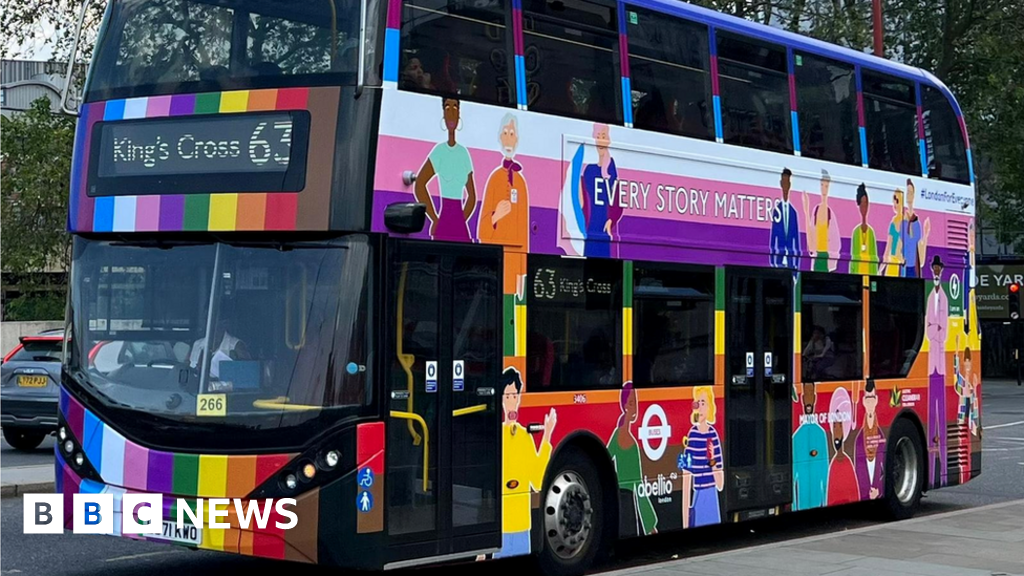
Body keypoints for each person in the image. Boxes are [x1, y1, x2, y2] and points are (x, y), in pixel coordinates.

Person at [496, 367, 555, 558]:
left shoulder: (524, 435)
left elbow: (537, 480)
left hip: (522, 528)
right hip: (501, 528)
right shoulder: (495, 437)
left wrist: (546, 436)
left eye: (515, 396)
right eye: (507, 397)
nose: (511, 402)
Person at [414, 98, 477, 241]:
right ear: (443, 113)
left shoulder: (463, 154)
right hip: (444, 219)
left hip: (459, 224)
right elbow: (420, 184)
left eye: (455, 107)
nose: (451, 112)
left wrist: (462, 219)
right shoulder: (439, 152)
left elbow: (472, 196)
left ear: (459, 113)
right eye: (447, 107)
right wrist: (434, 218)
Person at [607, 382, 657, 535]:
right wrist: (650, 526)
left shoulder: (618, 434)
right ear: (625, 406)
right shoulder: (627, 440)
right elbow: (639, 486)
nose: (635, 407)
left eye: (635, 402)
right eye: (631, 403)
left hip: (621, 497)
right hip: (626, 501)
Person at [478, 113, 529, 248]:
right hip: (495, 252)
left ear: (517, 140)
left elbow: (524, 232)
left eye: (512, 134)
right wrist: (495, 216)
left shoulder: (520, 182)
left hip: (517, 250)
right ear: (500, 137)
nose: (508, 140)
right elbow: (481, 230)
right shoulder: (494, 178)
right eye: (505, 134)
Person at [679, 386, 724, 528]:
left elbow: (720, 484)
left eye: (703, 402)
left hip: (711, 498)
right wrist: (685, 524)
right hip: (698, 496)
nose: (699, 407)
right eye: (697, 403)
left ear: (710, 406)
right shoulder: (692, 435)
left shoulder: (713, 435)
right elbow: (686, 477)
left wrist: (712, 462)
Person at [580, 123, 620, 258]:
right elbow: (583, 199)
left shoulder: (612, 168)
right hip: (591, 226)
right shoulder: (589, 170)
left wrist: (610, 220)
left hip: (604, 228)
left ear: (608, 139)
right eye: (598, 136)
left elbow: (617, 199)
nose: (601, 140)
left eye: (604, 136)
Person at [925, 255, 948, 487]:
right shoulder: (931, 294)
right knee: (931, 414)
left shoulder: (943, 296)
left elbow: (945, 326)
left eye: (939, 268)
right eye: (935, 268)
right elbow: (929, 325)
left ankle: (941, 466)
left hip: (941, 360)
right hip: (931, 359)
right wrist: (935, 330)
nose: (937, 270)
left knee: (941, 413)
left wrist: (937, 330)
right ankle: (932, 468)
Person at [793, 382, 829, 510]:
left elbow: (825, 472)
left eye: (811, 395)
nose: (808, 399)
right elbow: (793, 478)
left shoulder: (821, 433)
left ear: (815, 398)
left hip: (817, 499)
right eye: (805, 395)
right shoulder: (796, 436)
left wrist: (824, 501)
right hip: (801, 500)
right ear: (802, 399)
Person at [802, 169, 841, 272]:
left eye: (826, 186)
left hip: (827, 259)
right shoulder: (815, 211)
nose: (824, 189)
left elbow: (836, 244)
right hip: (817, 259)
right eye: (822, 185)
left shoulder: (830, 214)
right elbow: (810, 244)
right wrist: (806, 210)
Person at [854, 381, 886, 501]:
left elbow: (882, 466)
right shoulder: (859, 439)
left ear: (876, 400)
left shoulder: (881, 435)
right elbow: (858, 470)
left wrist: (877, 489)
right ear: (863, 401)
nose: (870, 403)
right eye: (867, 399)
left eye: (872, 398)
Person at [827, 387, 858, 506]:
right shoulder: (832, 465)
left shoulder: (848, 464)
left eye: (840, 426)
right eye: (834, 426)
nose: (837, 432)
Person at [770, 168, 801, 271]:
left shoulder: (794, 213)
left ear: (790, 184)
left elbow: (796, 241)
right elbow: (773, 237)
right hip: (779, 258)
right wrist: (772, 260)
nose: (785, 186)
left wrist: (796, 264)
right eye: (783, 182)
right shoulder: (776, 210)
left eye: (787, 182)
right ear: (780, 184)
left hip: (791, 260)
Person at [902, 180, 931, 278]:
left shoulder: (917, 223)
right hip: (903, 266)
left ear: (914, 195)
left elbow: (920, 252)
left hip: (914, 267)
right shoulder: (902, 221)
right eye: (907, 193)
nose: (908, 195)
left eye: (910, 193)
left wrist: (926, 235)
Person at [850, 184, 879, 275]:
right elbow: (853, 258)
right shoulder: (855, 232)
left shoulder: (871, 232)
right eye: (862, 204)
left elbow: (875, 258)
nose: (864, 207)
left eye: (866, 203)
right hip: (858, 273)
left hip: (869, 272)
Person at [882, 189, 904, 276]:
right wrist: (881, 268)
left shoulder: (905, 222)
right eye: (894, 201)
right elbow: (888, 249)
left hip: (898, 262)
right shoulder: (894, 222)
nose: (895, 205)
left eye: (897, 201)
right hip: (893, 262)